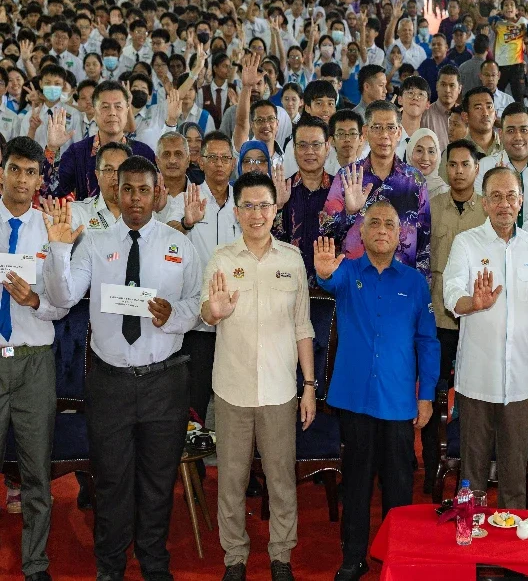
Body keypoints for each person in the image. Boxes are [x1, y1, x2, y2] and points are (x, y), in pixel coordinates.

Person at [43, 155, 203, 581]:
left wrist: (174, 314)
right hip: (110, 383)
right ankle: (110, 567)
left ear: (157, 195)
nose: (135, 198)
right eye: (127, 189)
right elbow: (63, 298)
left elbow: (198, 308)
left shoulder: (180, 246)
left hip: (164, 382)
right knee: (111, 482)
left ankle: (153, 561)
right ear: (116, 191)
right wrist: (59, 249)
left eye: (144, 190)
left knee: (157, 481)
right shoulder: (95, 244)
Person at [200, 171, 316, 581]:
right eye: (247, 206)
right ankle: (234, 556)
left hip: (281, 390)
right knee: (231, 479)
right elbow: (204, 311)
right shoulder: (222, 260)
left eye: (264, 205)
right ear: (236, 212)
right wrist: (213, 312)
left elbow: (304, 327)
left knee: (282, 478)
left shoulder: (291, 260)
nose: (256, 214)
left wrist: (308, 386)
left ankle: (281, 554)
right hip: (232, 389)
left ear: (275, 209)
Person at [315, 201, 440, 581]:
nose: (383, 229)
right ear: (363, 233)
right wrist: (322, 273)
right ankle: (353, 559)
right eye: (375, 223)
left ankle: (396, 557)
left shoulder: (415, 282)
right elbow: (327, 280)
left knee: (400, 487)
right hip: (354, 400)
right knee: (355, 482)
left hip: (399, 401)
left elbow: (428, 342)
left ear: (401, 234)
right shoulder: (347, 272)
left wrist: (427, 394)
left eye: (390, 223)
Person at [443, 166, 528, 508]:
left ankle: (511, 554)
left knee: (514, 479)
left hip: (521, 382)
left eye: (511, 196)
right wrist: (472, 304)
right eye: (496, 196)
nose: (504, 204)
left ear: (521, 201)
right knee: (472, 476)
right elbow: (450, 293)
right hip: (477, 380)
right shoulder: (466, 243)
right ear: (484, 202)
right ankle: (472, 546)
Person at [0, 137, 71, 581]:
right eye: (15, 170)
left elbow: (63, 303)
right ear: (1, 172)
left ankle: (35, 565)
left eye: (32, 172)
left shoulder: (51, 228)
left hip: (34, 362)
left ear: (39, 179)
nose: (23, 179)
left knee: (35, 475)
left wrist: (32, 301)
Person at [423, 139, 487, 491]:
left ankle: (471, 468)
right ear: (445, 169)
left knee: (472, 396)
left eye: (466, 164)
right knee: (433, 393)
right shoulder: (431, 208)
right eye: (453, 164)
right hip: (437, 321)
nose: (459, 171)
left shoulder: (488, 210)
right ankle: (433, 468)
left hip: (476, 320)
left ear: (477, 169)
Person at [320, 100, 431, 284]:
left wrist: (421, 288)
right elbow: (326, 233)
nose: (384, 135)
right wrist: (349, 213)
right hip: (355, 283)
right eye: (377, 127)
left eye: (390, 128)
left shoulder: (415, 180)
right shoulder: (348, 176)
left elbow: (424, 243)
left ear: (399, 132)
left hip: (402, 285)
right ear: (365, 132)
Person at [47, 81, 156, 199]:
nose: (112, 113)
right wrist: (52, 149)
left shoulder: (143, 153)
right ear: (94, 110)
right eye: (105, 107)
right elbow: (52, 192)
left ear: (127, 110)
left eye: (118, 107)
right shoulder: (77, 152)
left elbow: (154, 194)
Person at [272, 115, 335, 284]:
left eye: (316, 145)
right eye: (302, 145)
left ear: (327, 146)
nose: (309, 152)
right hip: (289, 286)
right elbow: (270, 245)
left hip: (330, 287)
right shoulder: (282, 190)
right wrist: (277, 207)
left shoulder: (340, 190)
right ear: (294, 148)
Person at [475, 103, 528, 227]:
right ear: (501, 134)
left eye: (524, 130)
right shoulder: (484, 168)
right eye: (511, 130)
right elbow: (478, 214)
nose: (518, 137)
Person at [405, 127, 447, 198]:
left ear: (438, 156)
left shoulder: (445, 193)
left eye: (431, 151)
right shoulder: (398, 188)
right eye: (419, 151)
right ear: (410, 153)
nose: (425, 158)